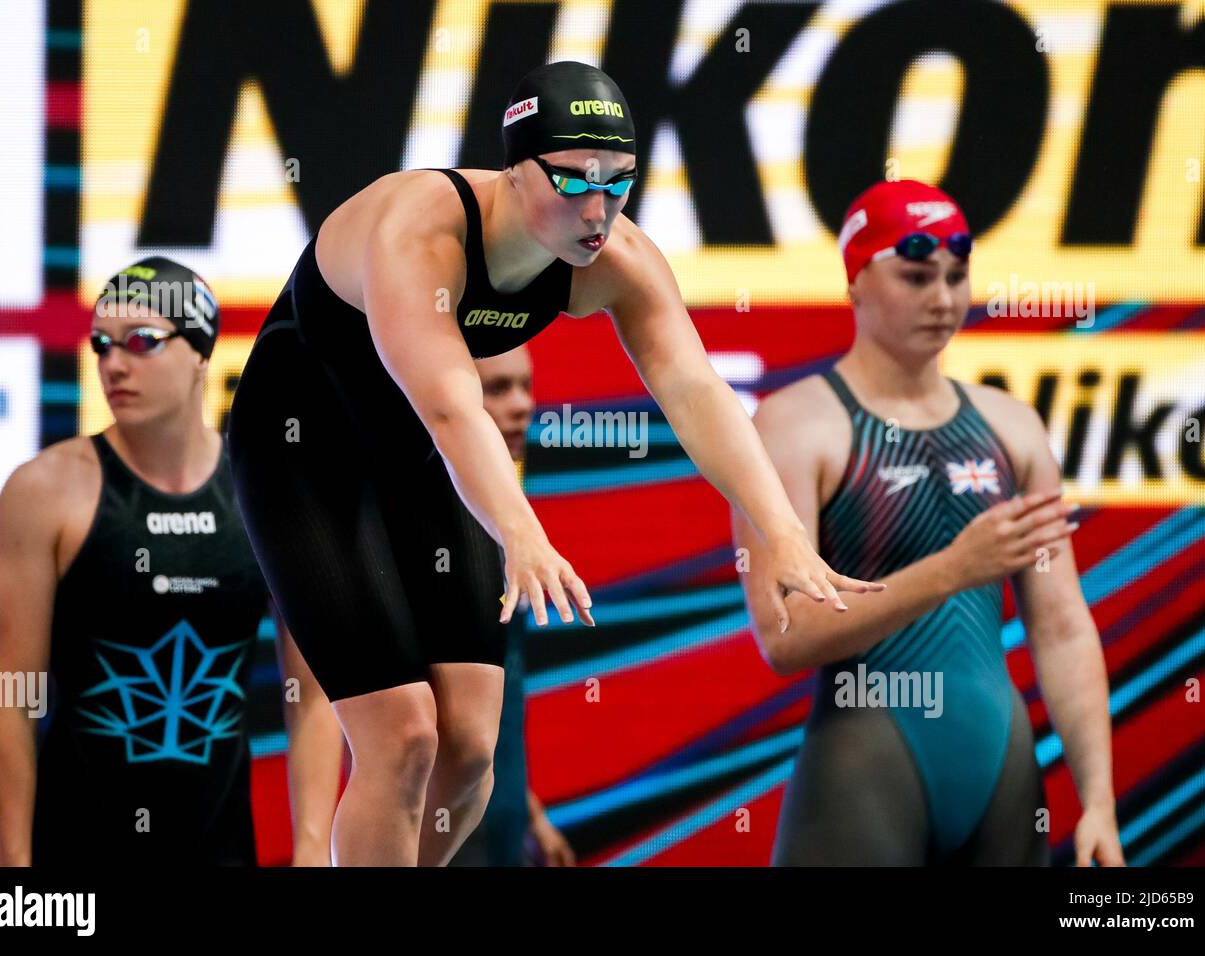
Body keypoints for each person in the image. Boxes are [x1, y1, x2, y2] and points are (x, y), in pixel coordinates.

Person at [225, 60, 882, 867]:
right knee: (402, 736)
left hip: (417, 451)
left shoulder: (614, 257)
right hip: (304, 452)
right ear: (515, 165)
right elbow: (452, 406)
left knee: (470, 748)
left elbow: (693, 387)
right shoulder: (421, 230)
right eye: (574, 182)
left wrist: (782, 530)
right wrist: (522, 531)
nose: (598, 209)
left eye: (619, 183)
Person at [734, 180, 1124, 866]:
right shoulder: (795, 426)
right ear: (856, 280)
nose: (943, 299)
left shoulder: (1012, 427)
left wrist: (1098, 799)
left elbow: (1060, 623)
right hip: (864, 770)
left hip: (1001, 770)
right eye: (915, 277)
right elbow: (784, 634)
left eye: (955, 275)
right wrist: (951, 570)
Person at [0, 257, 342, 866]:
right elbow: (11, 700)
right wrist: (14, 875)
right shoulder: (43, 492)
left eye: (142, 341)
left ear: (202, 351)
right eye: (102, 344)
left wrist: (311, 850)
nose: (113, 364)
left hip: (221, 851)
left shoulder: (267, 490)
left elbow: (311, 692)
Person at [449, 345, 576, 867]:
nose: (523, 405)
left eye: (526, 385)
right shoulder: (421, 529)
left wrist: (528, 811)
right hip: (446, 829)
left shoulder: (509, 523)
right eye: (498, 389)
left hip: (501, 822)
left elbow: (490, 706)